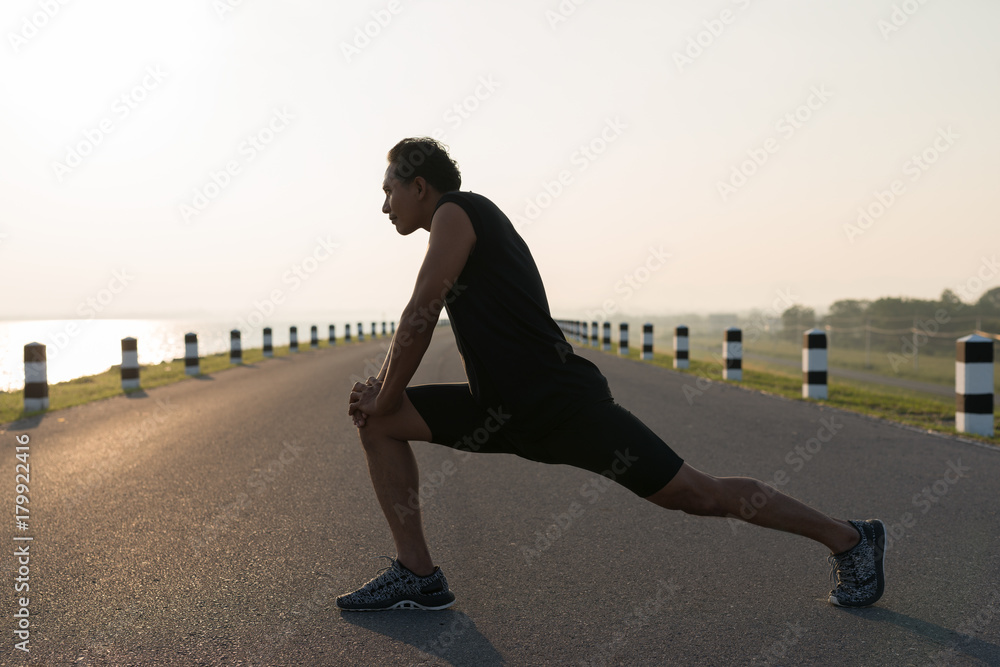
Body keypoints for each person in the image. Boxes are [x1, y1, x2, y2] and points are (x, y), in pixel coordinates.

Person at [338, 137, 885, 612]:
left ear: (419, 186)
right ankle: (418, 575)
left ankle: (849, 539)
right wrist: (384, 398)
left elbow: (421, 311)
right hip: (499, 411)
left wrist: (388, 394)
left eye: (388, 189)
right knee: (376, 422)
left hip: (561, 406)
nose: (382, 204)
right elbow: (419, 316)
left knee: (696, 494)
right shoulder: (450, 219)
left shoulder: (457, 211)